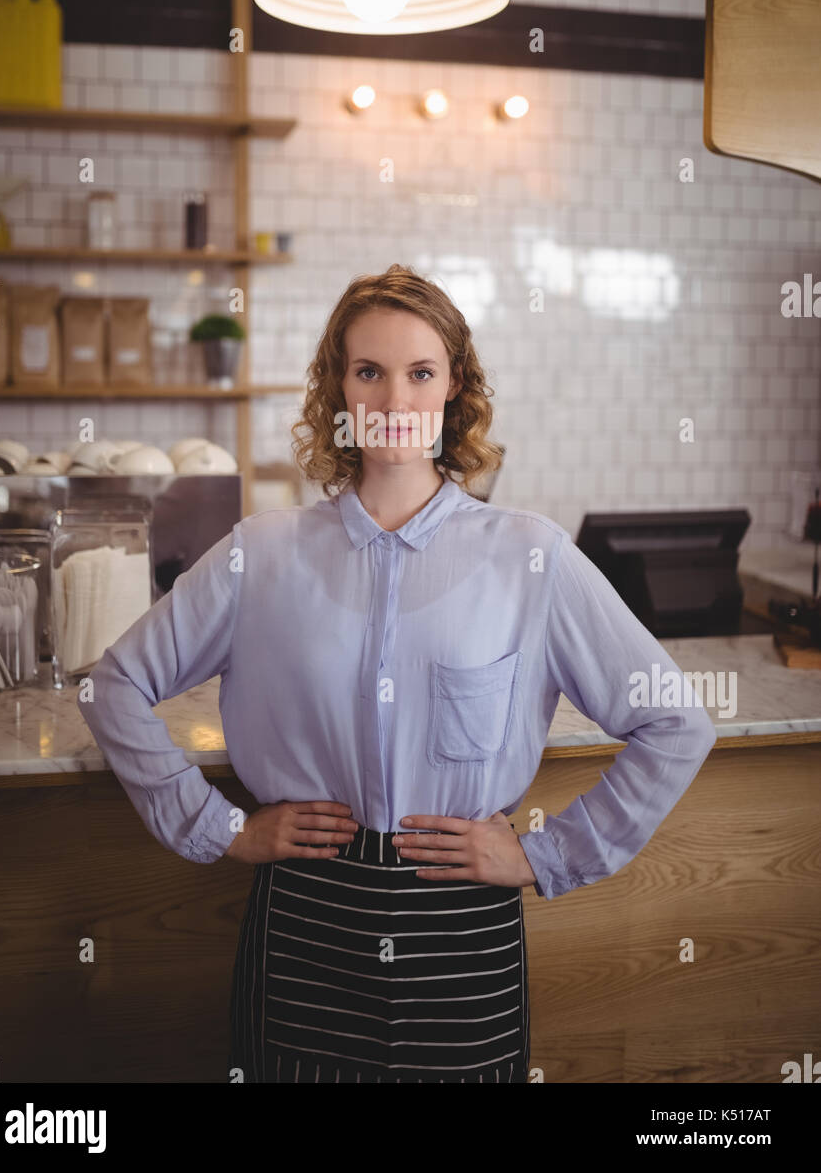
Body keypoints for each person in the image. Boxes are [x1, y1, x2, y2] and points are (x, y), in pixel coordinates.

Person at [82, 262, 717, 1084]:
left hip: (464, 940)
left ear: (454, 386)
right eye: (369, 372)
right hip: (306, 930)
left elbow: (677, 722)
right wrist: (223, 829)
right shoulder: (261, 554)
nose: (393, 402)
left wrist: (546, 855)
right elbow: (112, 685)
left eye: (420, 373)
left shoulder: (532, 558)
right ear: (338, 389)